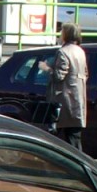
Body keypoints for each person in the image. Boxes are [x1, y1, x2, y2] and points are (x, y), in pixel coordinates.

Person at [40, 22, 88, 150]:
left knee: (60, 139)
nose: (60, 34)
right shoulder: (80, 51)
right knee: (74, 138)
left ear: (66, 34)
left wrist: (46, 68)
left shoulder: (63, 52)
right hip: (78, 101)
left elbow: (59, 76)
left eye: (62, 32)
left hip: (65, 101)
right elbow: (85, 74)